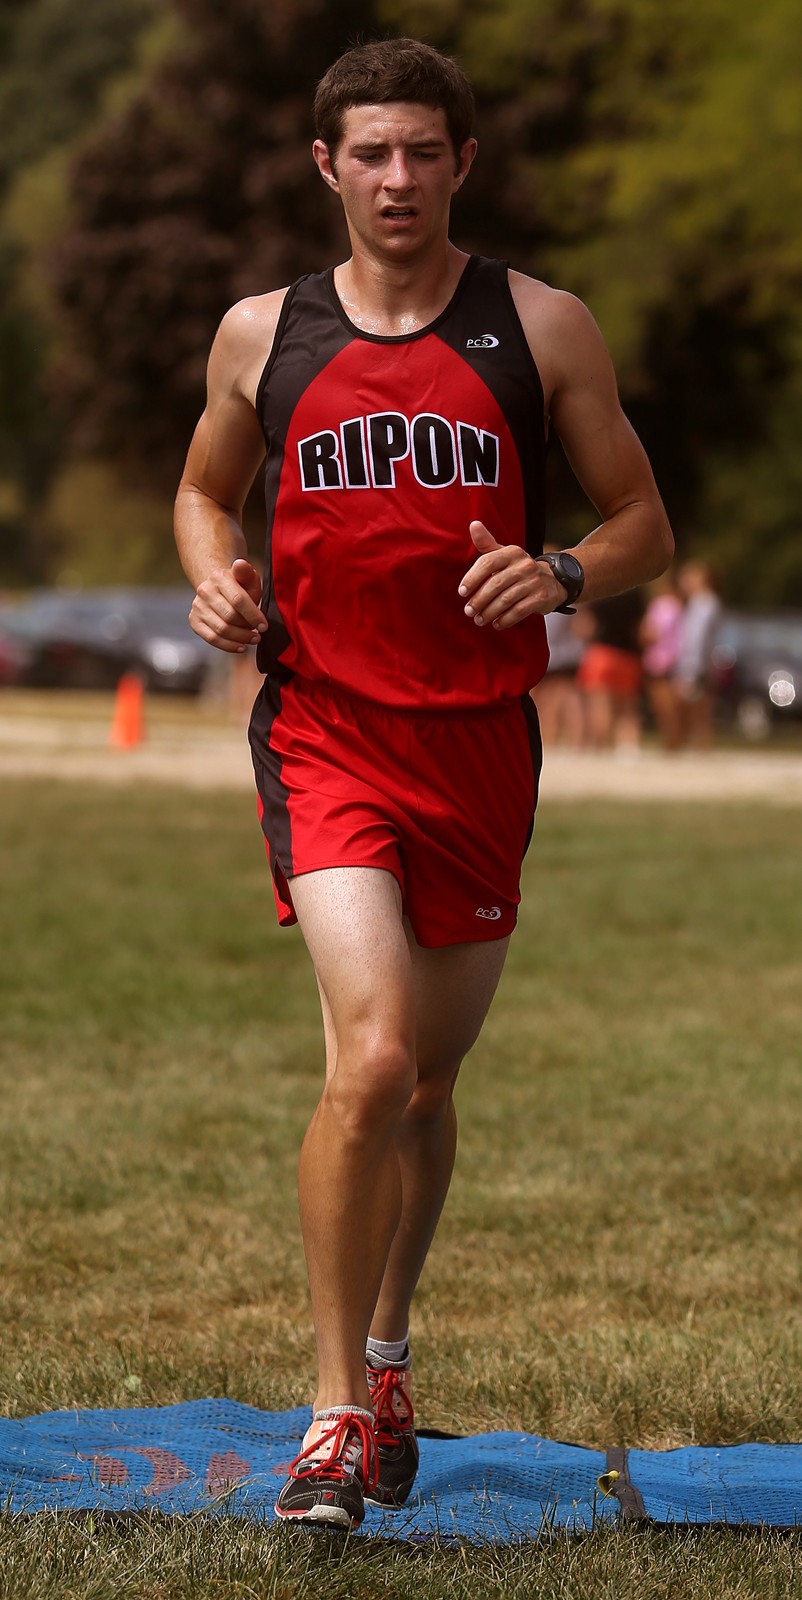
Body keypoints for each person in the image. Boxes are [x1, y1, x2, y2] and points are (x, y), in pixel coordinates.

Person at [174, 37, 673, 1530]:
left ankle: (390, 1349)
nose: (396, 179)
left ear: (462, 161)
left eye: (422, 152)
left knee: (432, 1084)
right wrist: (216, 580)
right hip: (325, 733)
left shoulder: (541, 325)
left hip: (475, 744)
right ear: (324, 167)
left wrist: (568, 567)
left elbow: (642, 516)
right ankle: (330, 1416)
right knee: (374, 1059)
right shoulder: (263, 332)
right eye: (368, 154)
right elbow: (204, 490)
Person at [576, 588, 646, 753]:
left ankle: (600, 750)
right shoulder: (635, 594)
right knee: (628, 710)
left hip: (601, 655)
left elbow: (585, 628)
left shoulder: (598, 591)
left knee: (600, 707)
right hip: (628, 657)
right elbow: (642, 631)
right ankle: (629, 750)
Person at [673, 559, 722, 749]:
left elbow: (696, 640)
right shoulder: (700, 603)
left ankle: (698, 750)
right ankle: (699, 749)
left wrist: (689, 672)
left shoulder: (704, 604)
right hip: (698, 666)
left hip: (696, 667)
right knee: (698, 715)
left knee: (695, 714)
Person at [640, 570, 684, 751]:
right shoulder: (681, 606)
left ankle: (669, 743)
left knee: (663, 706)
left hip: (658, 660)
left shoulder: (660, 605)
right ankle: (675, 742)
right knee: (674, 705)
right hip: (675, 659)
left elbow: (650, 634)